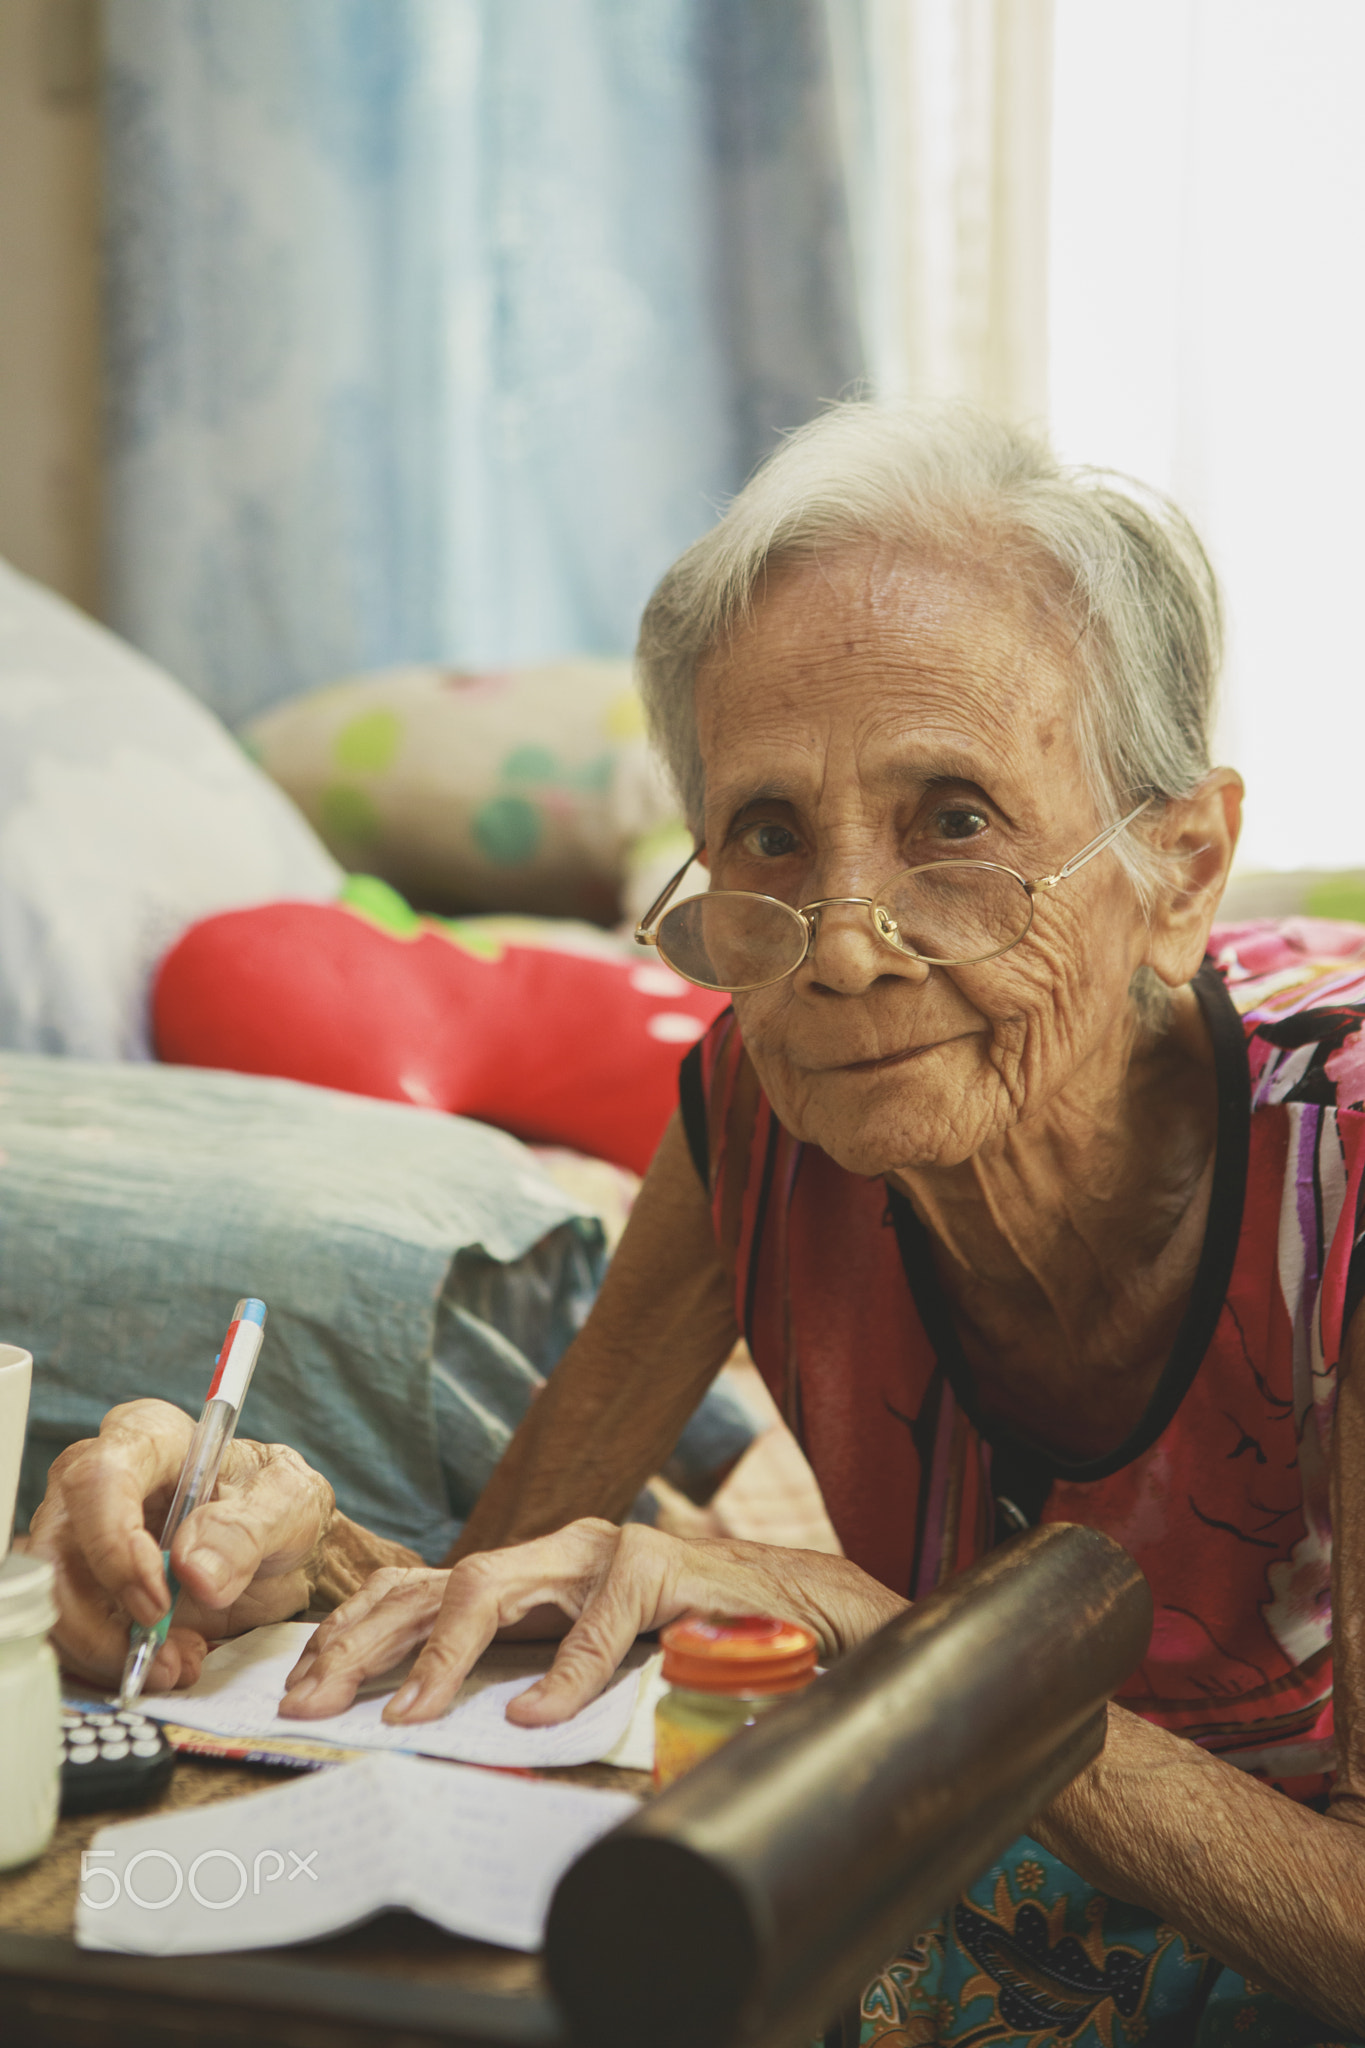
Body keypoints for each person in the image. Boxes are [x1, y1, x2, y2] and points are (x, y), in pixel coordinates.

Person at [27, 406, 1365, 2043]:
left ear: (1181, 868)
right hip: (962, 1865)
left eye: (952, 821)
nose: (841, 951)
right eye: (769, 838)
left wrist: (867, 1630)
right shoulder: (760, 1103)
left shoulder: (1345, 1171)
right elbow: (495, 1583)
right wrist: (292, 1550)